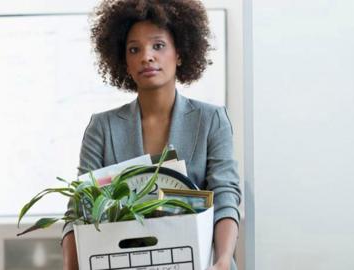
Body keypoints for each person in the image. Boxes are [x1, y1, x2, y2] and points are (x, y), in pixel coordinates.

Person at [61, 1, 241, 269]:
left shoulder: (211, 120)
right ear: (125, 62)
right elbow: (80, 208)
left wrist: (224, 259)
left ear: (179, 53)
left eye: (158, 46)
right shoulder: (102, 127)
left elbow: (225, 195)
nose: (147, 56)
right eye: (134, 49)